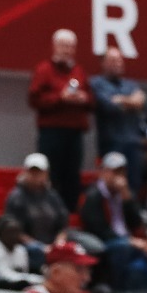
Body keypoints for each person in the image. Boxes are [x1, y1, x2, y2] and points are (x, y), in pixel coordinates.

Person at [28, 28, 92, 211]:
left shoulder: (79, 71)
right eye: (64, 46)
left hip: (75, 133)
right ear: (55, 46)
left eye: (71, 46)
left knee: (72, 174)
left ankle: (70, 213)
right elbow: (34, 99)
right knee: (52, 173)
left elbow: (91, 99)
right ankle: (47, 211)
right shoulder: (44, 70)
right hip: (52, 132)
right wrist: (60, 98)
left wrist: (83, 98)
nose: (67, 50)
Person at [78, 151, 140, 289]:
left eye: (121, 172)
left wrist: (127, 199)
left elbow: (136, 223)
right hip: (103, 241)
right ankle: (118, 291)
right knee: (122, 247)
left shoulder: (126, 194)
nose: (118, 177)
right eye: (115, 172)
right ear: (103, 172)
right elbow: (97, 227)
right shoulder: (93, 195)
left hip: (126, 240)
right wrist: (127, 240)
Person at [89, 45, 147, 166]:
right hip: (111, 144)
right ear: (103, 63)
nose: (118, 63)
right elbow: (109, 106)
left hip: (134, 143)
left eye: (120, 60)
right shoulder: (96, 83)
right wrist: (131, 102)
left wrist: (120, 100)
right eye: (113, 60)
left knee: (133, 183)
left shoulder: (130, 84)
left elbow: (142, 103)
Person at [3, 153, 69, 248]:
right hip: (26, 246)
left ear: (46, 173)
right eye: (32, 172)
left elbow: (63, 225)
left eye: (39, 172)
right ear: (25, 172)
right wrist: (38, 246)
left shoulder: (53, 196)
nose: (35, 176)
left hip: (53, 244)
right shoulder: (16, 197)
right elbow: (13, 229)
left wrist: (59, 242)